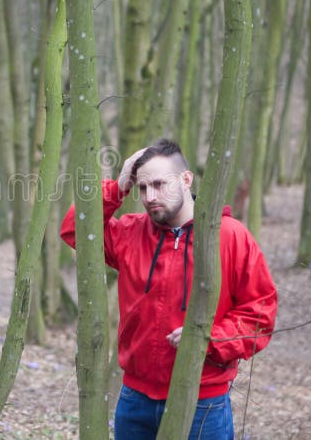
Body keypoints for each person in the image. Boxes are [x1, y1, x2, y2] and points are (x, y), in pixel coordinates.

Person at [60, 139, 277, 440]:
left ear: (186, 179)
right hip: (135, 401)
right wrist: (119, 186)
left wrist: (206, 337)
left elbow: (260, 315)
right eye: (143, 188)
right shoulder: (131, 232)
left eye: (160, 184)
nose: (150, 197)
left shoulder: (229, 236)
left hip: (202, 402)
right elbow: (75, 230)